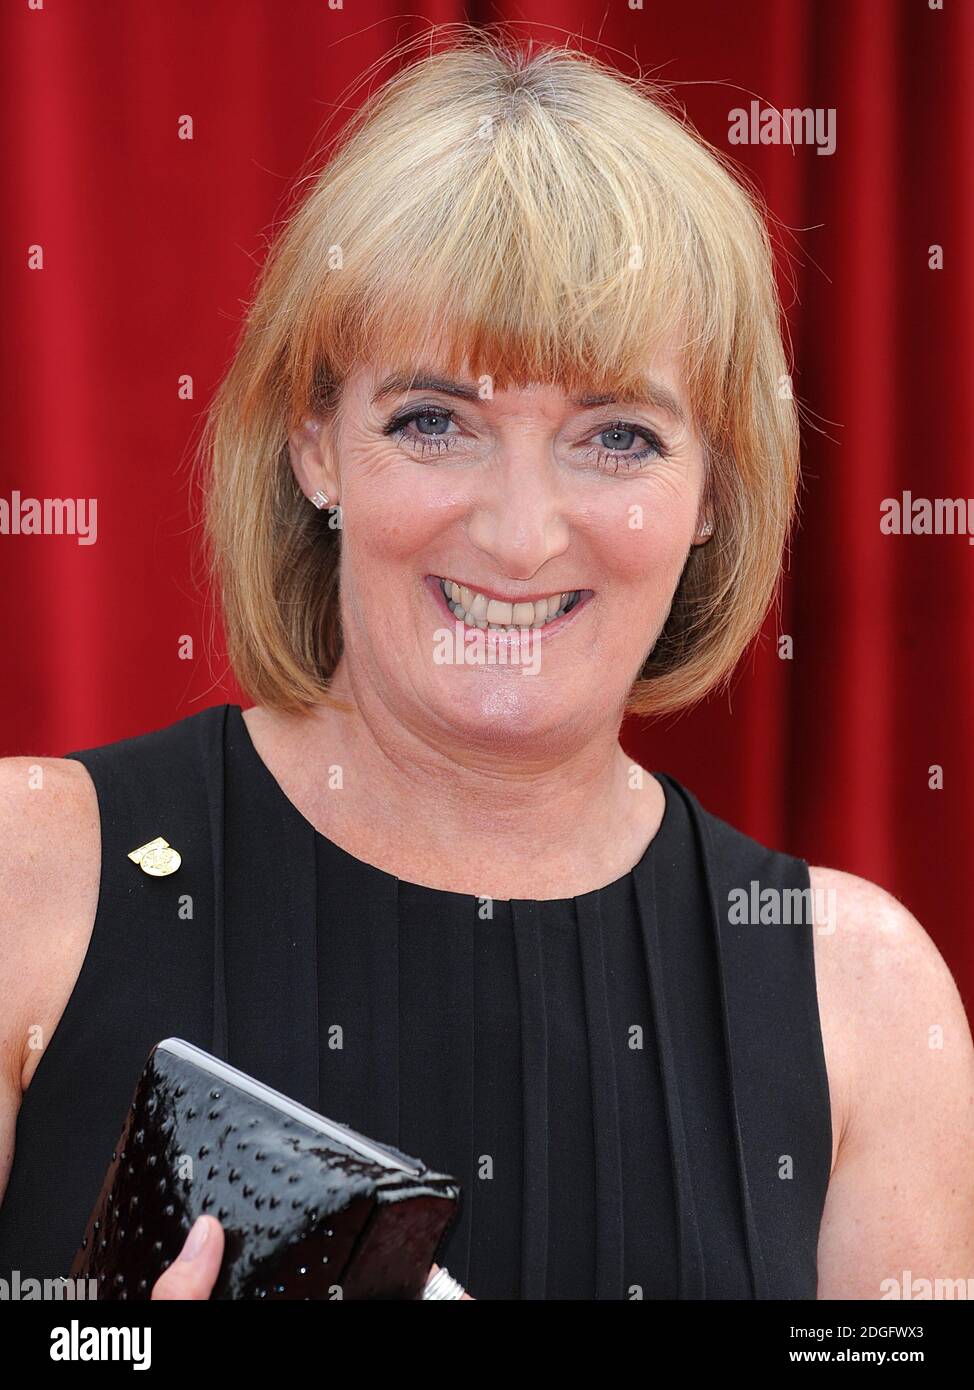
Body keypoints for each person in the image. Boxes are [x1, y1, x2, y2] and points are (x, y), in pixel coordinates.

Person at [1, 32, 972, 1302]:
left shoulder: (861, 994)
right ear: (313, 447)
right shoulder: (33, 878)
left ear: (712, 494)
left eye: (615, 436)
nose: (519, 534)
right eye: (433, 422)